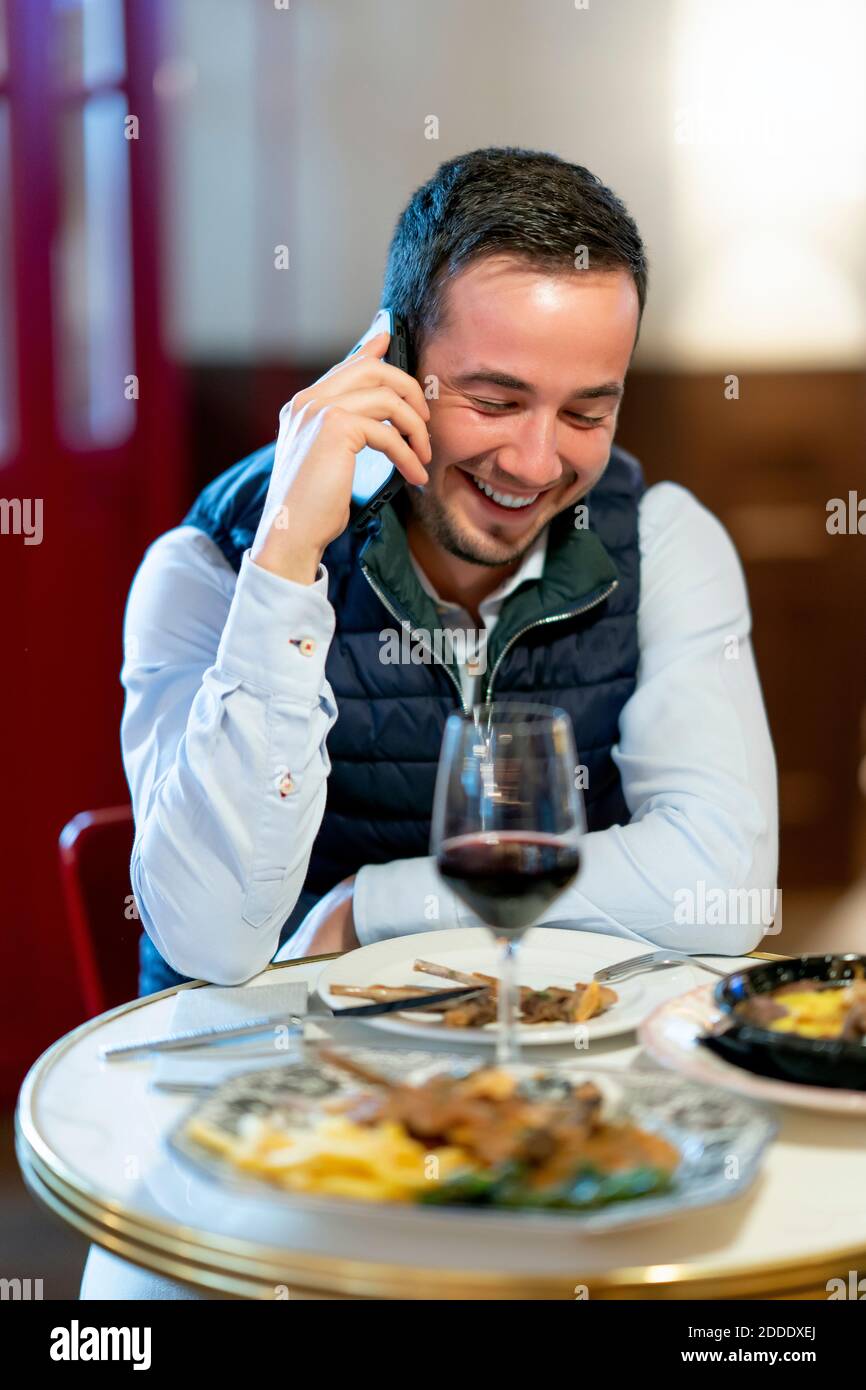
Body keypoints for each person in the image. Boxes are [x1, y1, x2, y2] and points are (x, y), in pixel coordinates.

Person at [121, 146, 778, 996]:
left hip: (546, 1080)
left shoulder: (665, 540)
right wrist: (286, 563)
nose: (537, 463)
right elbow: (207, 939)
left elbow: (723, 889)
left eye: (586, 410)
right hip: (275, 1094)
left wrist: (373, 907)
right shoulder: (210, 562)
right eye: (495, 402)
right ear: (392, 365)